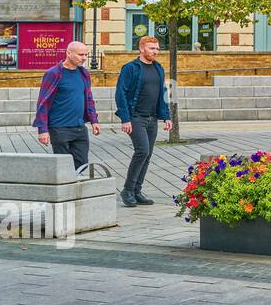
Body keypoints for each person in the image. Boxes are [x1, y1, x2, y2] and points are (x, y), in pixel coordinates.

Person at [115, 35, 173, 207]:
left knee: (147, 155)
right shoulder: (131, 68)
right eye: (151, 48)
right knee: (142, 151)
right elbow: (121, 93)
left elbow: (162, 93)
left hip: (152, 118)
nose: (155, 51)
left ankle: (137, 191)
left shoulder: (158, 68)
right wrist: (125, 119)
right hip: (136, 117)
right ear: (141, 49)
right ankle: (127, 190)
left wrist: (166, 116)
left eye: (157, 49)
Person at [33, 41, 101, 173]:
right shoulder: (53, 73)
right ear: (68, 53)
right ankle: (65, 192)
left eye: (86, 54)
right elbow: (43, 102)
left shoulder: (83, 73)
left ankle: (75, 191)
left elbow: (88, 98)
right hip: (59, 128)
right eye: (81, 54)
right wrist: (42, 130)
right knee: (64, 167)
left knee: (82, 164)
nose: (84, 58)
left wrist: (94, 120)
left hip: (80, 128)